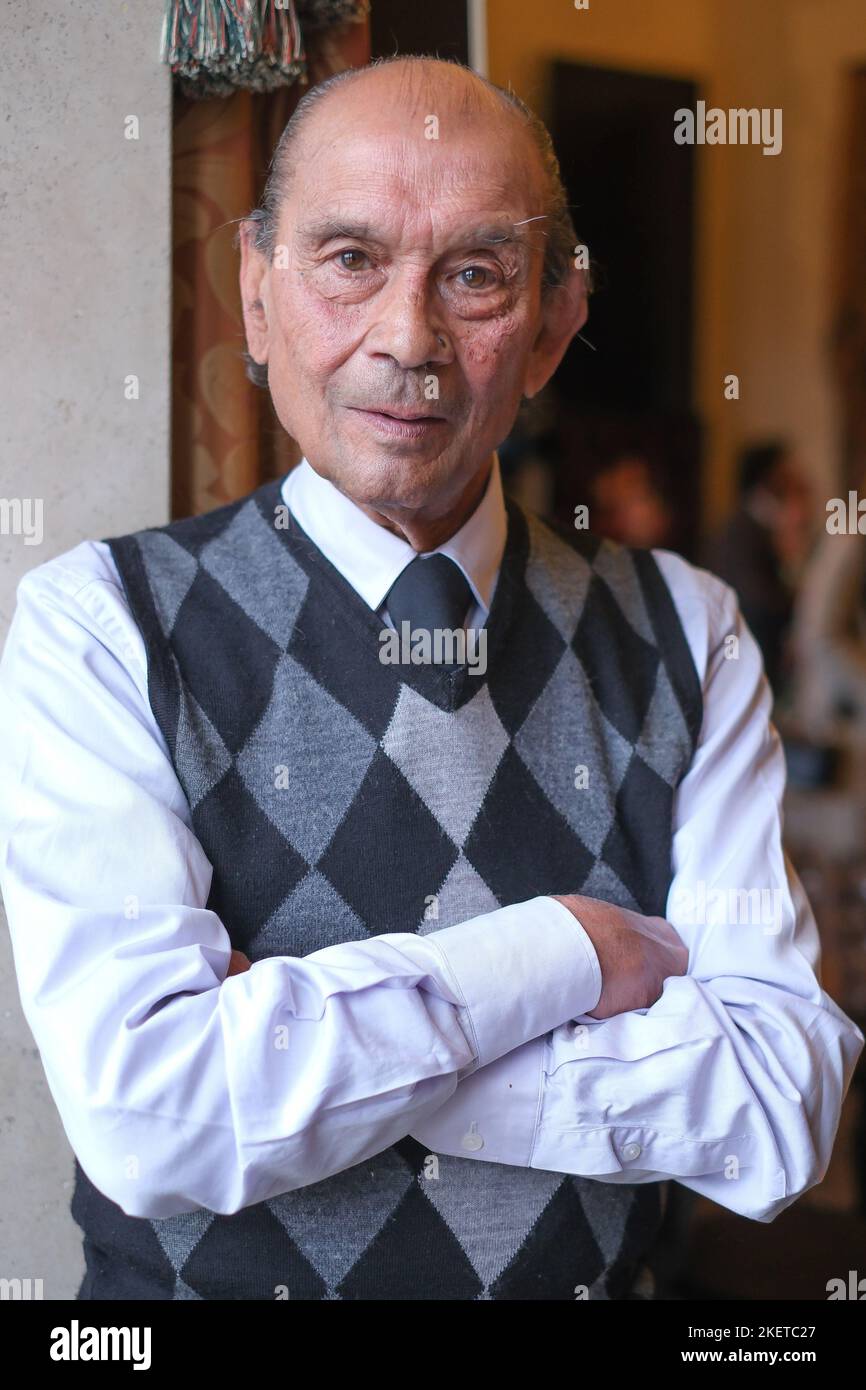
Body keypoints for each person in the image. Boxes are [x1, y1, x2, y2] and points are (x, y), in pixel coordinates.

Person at [0, 55, 861, 1303]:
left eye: (472, 274)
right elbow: (153, 1119)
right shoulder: (101, 625)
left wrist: (294, 1051)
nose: (405, 339)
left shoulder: (688, 628)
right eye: (348, 259)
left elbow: (780, 1109)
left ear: (555, 322)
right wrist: (561, 954)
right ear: (256, 294)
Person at [704, 440, 813, 698]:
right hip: (748, 659)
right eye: (787, 472)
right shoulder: (742, 529)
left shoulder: (766, 524)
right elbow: (758, 600)